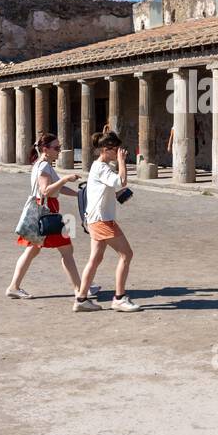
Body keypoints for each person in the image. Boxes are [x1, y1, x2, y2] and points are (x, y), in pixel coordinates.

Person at [7, 132, 98, 304]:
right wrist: (65, 179)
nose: (59, 151)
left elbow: (57, 189)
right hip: (47, 212)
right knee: (66, 250)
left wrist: (79, 194)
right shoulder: (43, 167)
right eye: (56, 148)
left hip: (43, 210)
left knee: (33, 250)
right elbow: (46, 191)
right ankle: (79, 288)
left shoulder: (42, 165)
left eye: (59, 147)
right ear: (45, 149)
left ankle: (14, 287)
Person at [75, 131, 138, 313]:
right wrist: (122, 162)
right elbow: (121, 181)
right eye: (116, 149)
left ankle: (81, 299)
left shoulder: (99, 167)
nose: (119, 152)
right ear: (105, 149)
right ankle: (119, 298)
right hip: (103, 220)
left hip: (95, 219)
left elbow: (109, 188)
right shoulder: (102, 168)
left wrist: (116, 194)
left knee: (95, 259)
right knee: (126, 254)